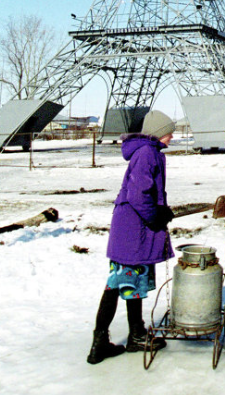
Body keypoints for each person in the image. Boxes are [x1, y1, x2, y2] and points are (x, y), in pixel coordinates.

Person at [87, 110, 177, 364]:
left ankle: (132, 334)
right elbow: (139, 195)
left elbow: (144, 192)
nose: (172, 136)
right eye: (169, 131)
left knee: (128, 282)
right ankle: (103, 341)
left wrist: (159, 210)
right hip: (134, 229)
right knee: (117, 284)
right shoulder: (148, 153)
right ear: (158, 132)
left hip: (132, 227)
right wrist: (155, 217)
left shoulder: (148, 152)